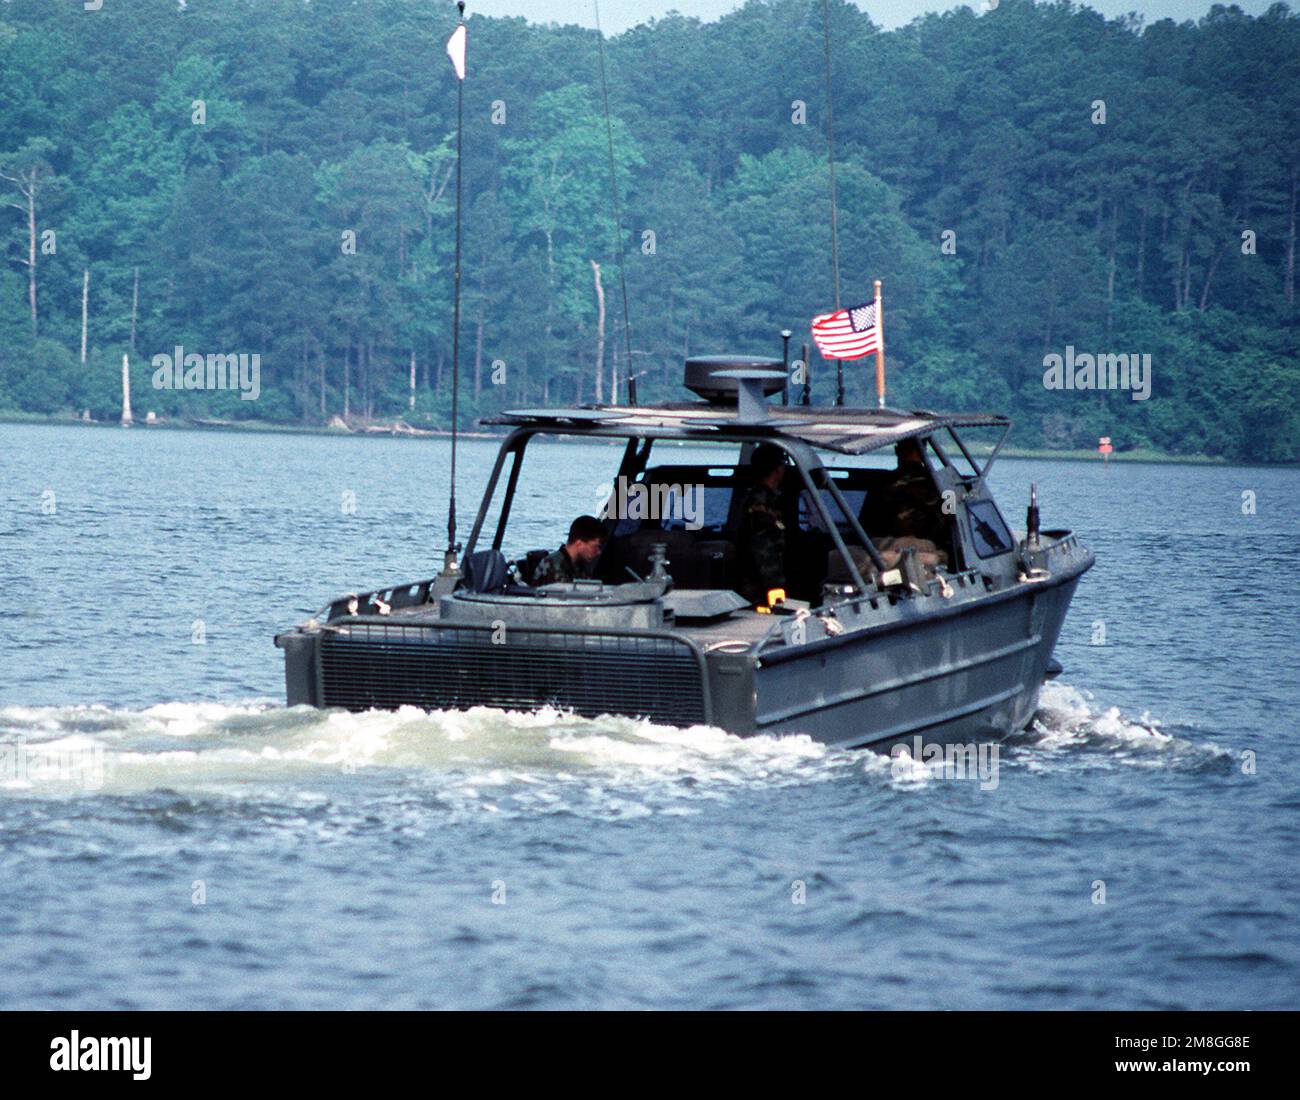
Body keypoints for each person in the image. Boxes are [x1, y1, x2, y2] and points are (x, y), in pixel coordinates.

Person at [735, 443, 789, 606]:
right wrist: (775, 586)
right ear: (778, 469)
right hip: (759, 585)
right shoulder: (761, 502)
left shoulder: (767, 498)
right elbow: (763, 547)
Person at [532, 514, 606, 585]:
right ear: (579, 544)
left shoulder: (580, 565)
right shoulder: (553, 565)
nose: (598, 552)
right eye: (596, 547)